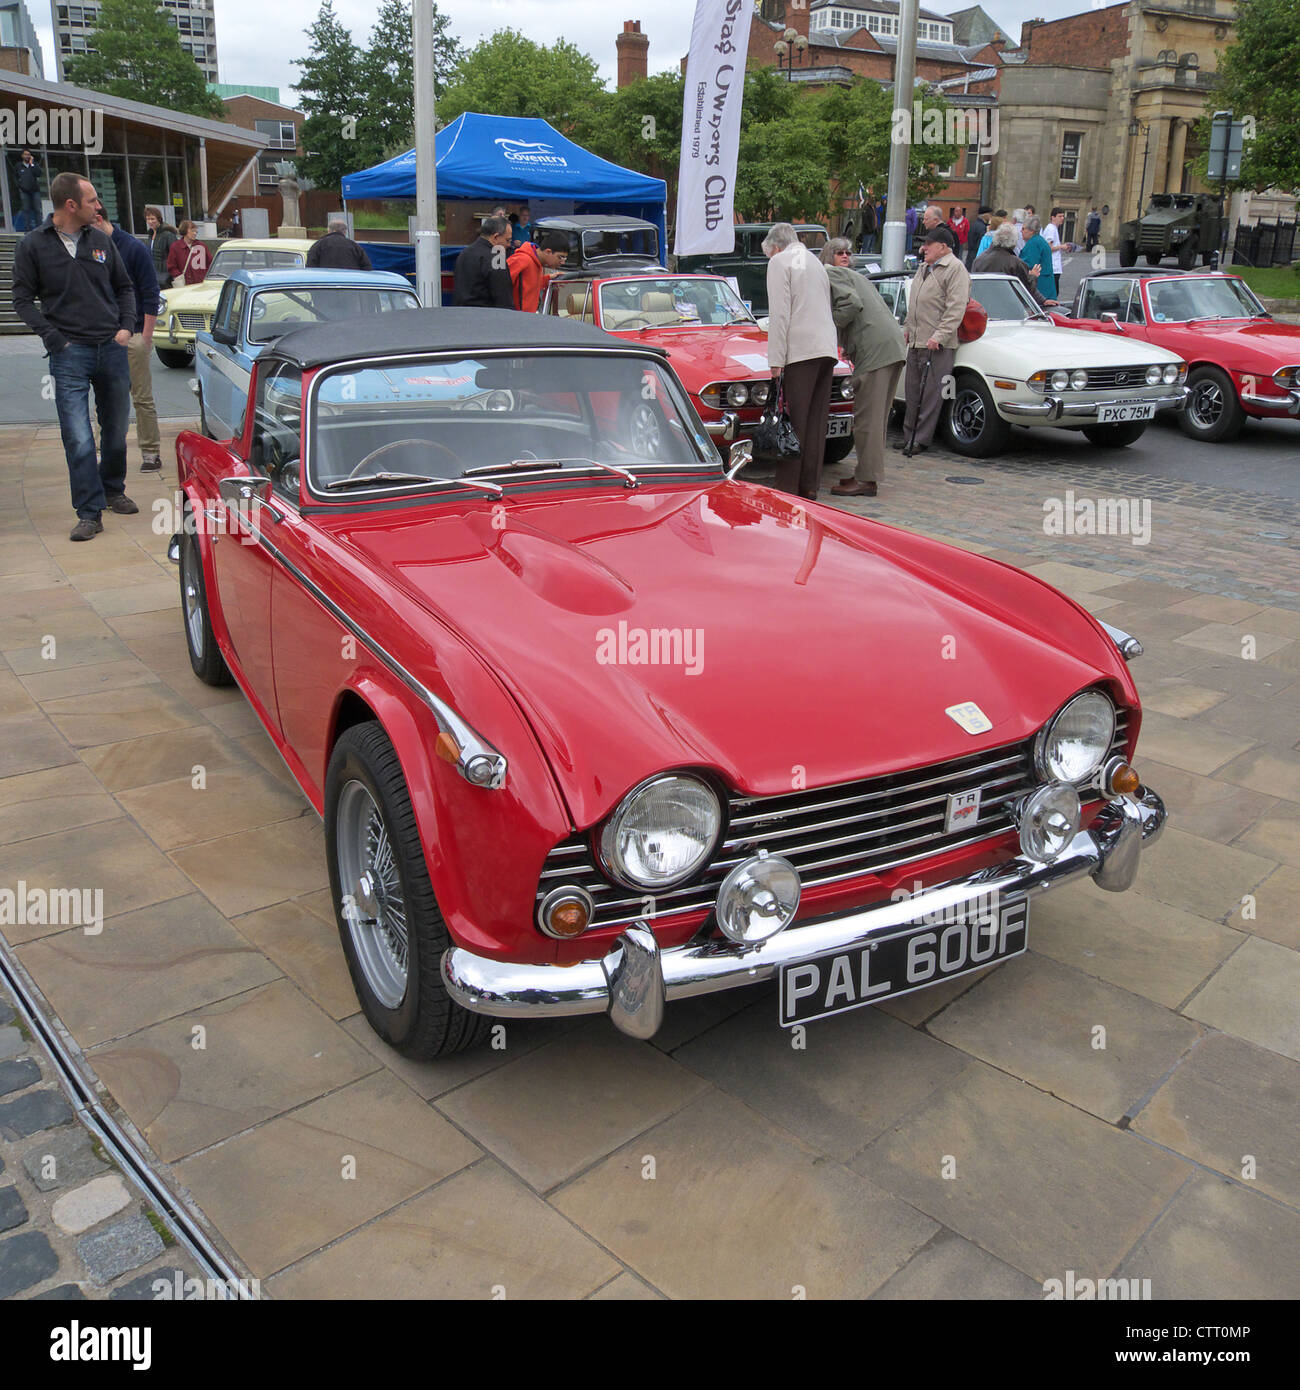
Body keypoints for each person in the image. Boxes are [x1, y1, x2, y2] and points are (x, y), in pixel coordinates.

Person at [12, 172, 137, 541]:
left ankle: (113, 489)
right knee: (79, 436)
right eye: (92, 200)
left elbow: (124, 287)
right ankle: (89, 511)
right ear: (71, 205)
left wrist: (125, 328)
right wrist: (54, 339)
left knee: (114, 430)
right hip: (69, 354)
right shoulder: (33, 245)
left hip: (111, 348)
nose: (98, 206)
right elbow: (21, 300)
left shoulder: (100, 240)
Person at [820, 239, 905, 498]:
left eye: (847, 252)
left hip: (876, 352)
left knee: (867, 418)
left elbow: (851, 304)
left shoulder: (830, 272)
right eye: (839, 252)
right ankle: (865, 473)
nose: (845, 256)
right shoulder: (858, 277)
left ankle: (867, 480)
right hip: (890, 347)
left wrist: (827, 327)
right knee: (876, 418)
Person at [762, 222, 839, 499]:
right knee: (816, 420)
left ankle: (787, 487)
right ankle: (809, 484)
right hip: (826, 346)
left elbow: (780, 314)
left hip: (800, 349)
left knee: (792, 420)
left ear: (776, 248)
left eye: (769, 254)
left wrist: (775, 360)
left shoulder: (780, 263)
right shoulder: (816, 263)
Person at [96, 206, 163, 473]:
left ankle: (150, 452)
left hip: (133, 332)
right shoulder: (93, 247)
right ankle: (110, 453)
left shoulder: (133, 248)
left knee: (142, 397)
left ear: (99, 219)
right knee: (108, 400)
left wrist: (145, 337)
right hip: (105, 335)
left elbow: (150, 291)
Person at [901, 229, 970, 456]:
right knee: (912, 392)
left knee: (930, 394)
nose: (924, 248)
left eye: (929, 244)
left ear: (943, 246)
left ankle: (920, 439)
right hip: (917, 341)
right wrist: (908, 328)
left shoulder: (955, 269)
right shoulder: (923, 268)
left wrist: (938, 336)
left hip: (936, 344)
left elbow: (955, 308)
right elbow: (914, 304)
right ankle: (908, 435)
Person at [974, 221, 1057, 306]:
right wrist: (1033, 277)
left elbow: (974, 287)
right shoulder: (1015, 262)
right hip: (1007, 307)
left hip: (983, 305)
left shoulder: (979, 260)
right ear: (1013, 241)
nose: (1022, 231)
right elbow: (1026, 287)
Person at [453, 215, 514, 308]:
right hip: (487, 317)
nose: (509, 245)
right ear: (495, 237)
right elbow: (504, 299)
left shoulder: (464, 253)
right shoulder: (497, 259)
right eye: (508, 240)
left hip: (460, 315)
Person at [507, 231, 568, 313]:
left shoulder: (537, 263)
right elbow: (499, 284)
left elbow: (528, 284)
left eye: (565, 258)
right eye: (560, 257)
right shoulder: (522, 259)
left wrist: (548, 279)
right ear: (548, 252)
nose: (562, 262)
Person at [306, 217, 373, 270]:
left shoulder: (318, 245)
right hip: (350, 282)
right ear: (344, 232)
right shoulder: (355, 246)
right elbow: (367, 267)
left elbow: (310, 267)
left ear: (329, 230)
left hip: (325, 283)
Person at [1019, 215, 1056, 301]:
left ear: (1031, 231)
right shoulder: (1040, 241)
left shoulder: (1033, 243)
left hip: (1040, 288)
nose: (1021, 231)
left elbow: (1027, 266)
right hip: (1046, 286)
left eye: (1023, 229)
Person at [166, 220, 209, 286]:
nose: (195, 233)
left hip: (200, 284)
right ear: (185, 231)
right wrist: (179, 276)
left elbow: (210, 264)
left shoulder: (202, 246)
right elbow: (171, 266)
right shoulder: (175, 247)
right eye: (192, 231)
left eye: (196, 231)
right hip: (184, 285)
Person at [144, 207, 178, 289]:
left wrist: (170, 274)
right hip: (153, 276)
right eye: (148, 219)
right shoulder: (151, 234)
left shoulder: (168, 234)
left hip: (166, 278)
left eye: (152, 219)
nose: (150, 222)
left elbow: (176, 256)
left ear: (159, 219)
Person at [1043, 207, 1076, 286]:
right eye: (1059, 216)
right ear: (1053, 217)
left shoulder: (1054, 228)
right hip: (1052, 267)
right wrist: (1061, 247)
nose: (1062, 218)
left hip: (1055, 267)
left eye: (1063, 216)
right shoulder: (1051, 229)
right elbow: (1048, 248)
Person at [16, 150, 42, 231]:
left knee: (38, 210)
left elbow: (38, 173)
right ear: (22, 156)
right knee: (26, 210)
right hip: (24, 191)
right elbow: (15, 176)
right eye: (26, 154)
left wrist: (32, 164)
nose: (27, 156)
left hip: (35, 191)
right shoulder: (18, 166)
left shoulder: (34, 164)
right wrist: (19, 186)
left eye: (29, 155)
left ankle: (39, 229)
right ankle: (28, 229)